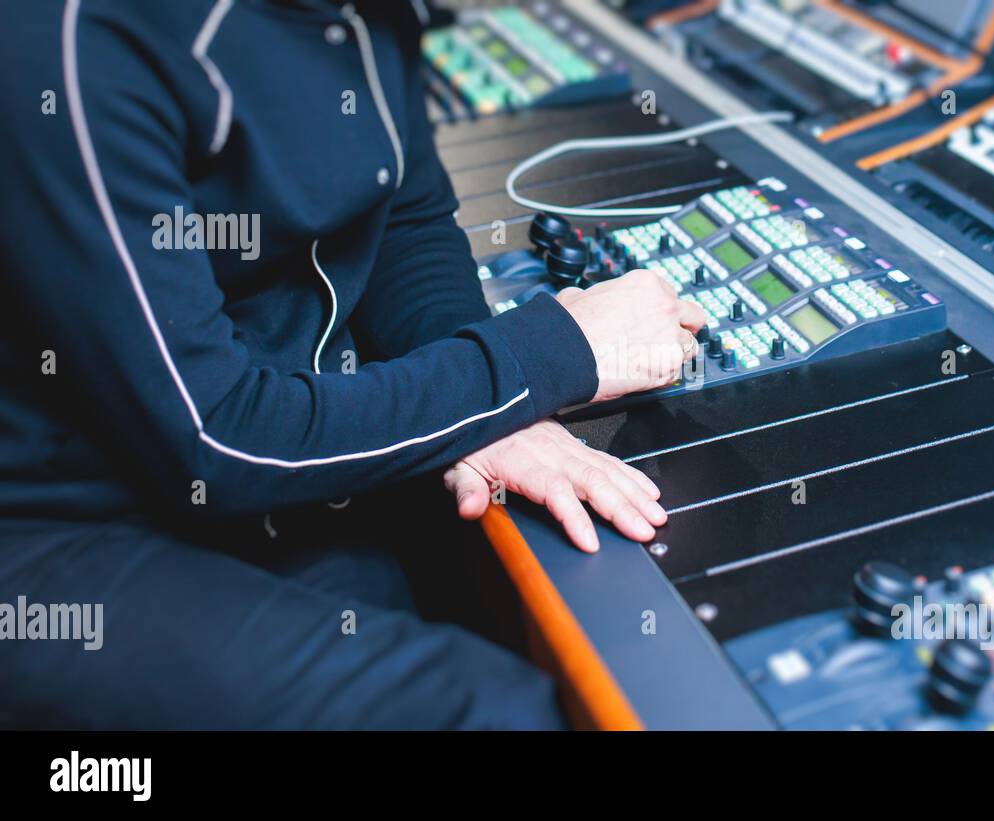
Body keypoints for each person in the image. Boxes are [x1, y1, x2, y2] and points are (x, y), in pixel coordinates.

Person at [0, 0, 706, 729]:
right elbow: (217, 439)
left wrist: (498, 411)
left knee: (481, 600)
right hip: (62, 533)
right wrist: (548, 355)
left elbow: (402, 216)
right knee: (495, 712)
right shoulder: (76, 39)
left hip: (260, 469)